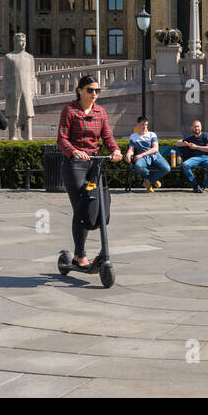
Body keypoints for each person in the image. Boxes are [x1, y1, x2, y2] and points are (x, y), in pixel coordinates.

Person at [56, 76, 123, 270]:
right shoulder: (69, 111)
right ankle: (79, 255)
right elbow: (61, 138)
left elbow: (107, 136)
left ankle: (102, 251)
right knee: (82, 209)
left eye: (97, 91)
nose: (94, 94)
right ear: (79, 91)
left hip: (95, 164)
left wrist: (115, 150)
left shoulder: (100, 112)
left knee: (99, 206)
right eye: (90, 90)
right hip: (75, 165)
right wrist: (74, 151)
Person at [178, 119, 208, 193]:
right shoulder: (190, 138)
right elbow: (177, 143)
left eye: (198, 126)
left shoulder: (206, 136)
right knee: (185, 165)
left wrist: (196, 147)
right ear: (192, 128)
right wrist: (186, 144)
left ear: (201, 127)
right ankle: (195, 185)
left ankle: (204, 185)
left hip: (207, 158)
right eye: (195, 127)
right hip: (195, 159)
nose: (196, 128)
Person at [128, 116, 170, 191]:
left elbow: (155, 149)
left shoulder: (152, 134)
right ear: (137, 124)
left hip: (155, 156)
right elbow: (131, 149)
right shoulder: (133, 136)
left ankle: (148, 181)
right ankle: (153, 180)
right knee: (138, 166)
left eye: (146, 125)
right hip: (143, 159)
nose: (144, 126)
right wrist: (128, 154)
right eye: (142, 124)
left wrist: (141, 154)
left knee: (166, 168)